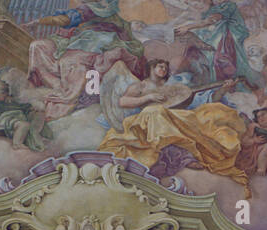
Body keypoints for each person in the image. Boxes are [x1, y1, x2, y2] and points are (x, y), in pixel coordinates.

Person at [98, 59, 250, 195]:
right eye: (160, 66)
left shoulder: (174, 86)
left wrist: (223, 89)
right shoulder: (141, 85)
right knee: (155, 111)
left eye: (165, 68)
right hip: (149, 117)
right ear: (151, 67)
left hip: (173, 115)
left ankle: (190, 155)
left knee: (209, 114)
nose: (163, 69)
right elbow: (123, 102)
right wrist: (148, 97)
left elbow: (199, 100)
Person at [25, 0, 146, 120]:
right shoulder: (97, 11)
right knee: (38, 46)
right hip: (79, 38)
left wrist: (38, 22)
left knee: (71, 61)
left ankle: (67, 97)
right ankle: (57, 86)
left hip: (97, 39)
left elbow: (64, 20)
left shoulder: (93, 9)